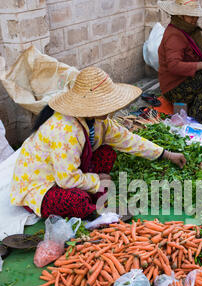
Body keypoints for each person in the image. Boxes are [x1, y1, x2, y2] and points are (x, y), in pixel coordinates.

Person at [10, 67, 186, 219]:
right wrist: (96, 181)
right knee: (76, 201)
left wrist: (166, 154)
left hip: (65, 174)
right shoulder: (65, 130)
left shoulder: (100, 121)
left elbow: (127, 139)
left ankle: (91, 194)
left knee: (107, 153)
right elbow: (66, 180)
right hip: (42, 186)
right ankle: (92, 208)